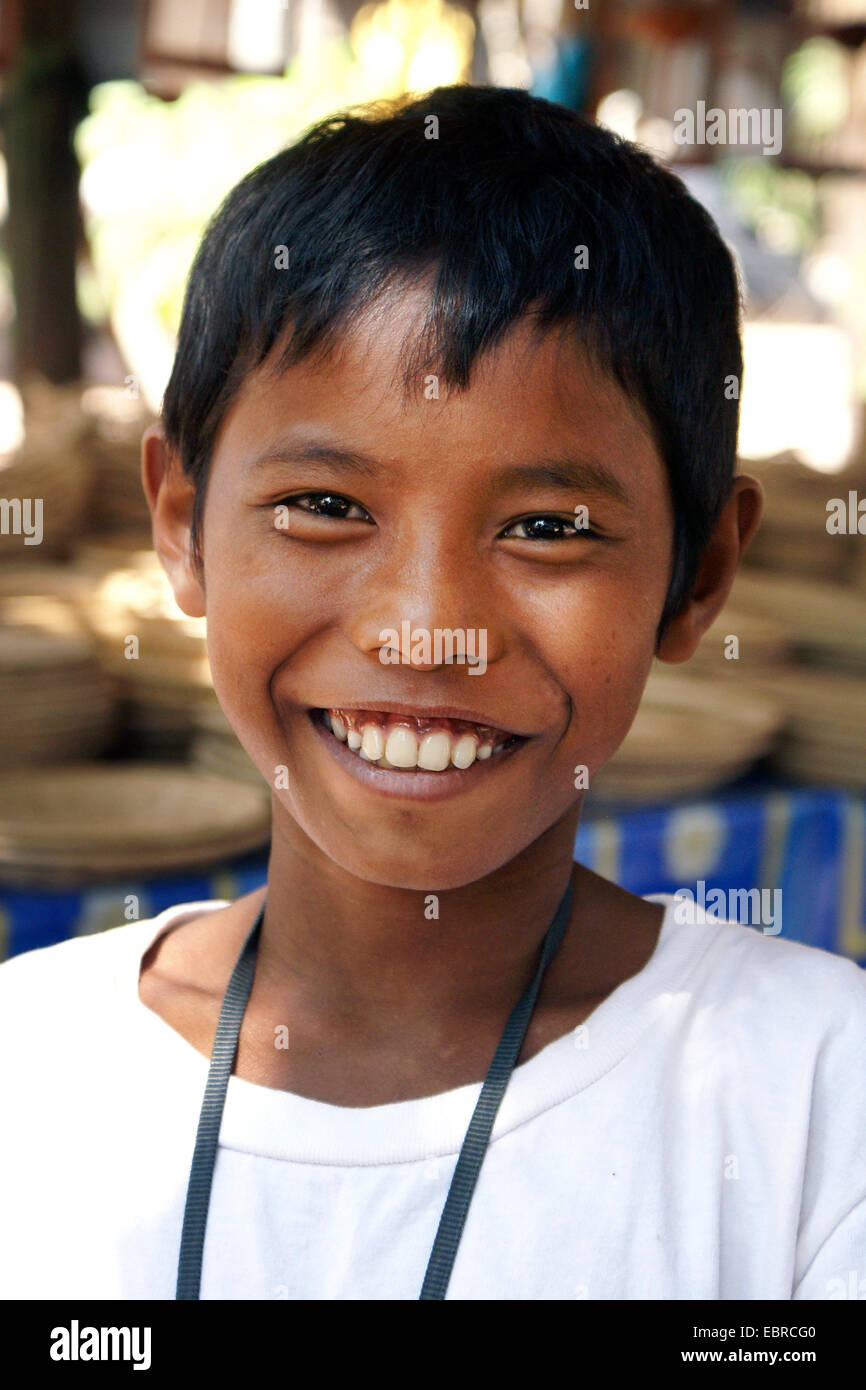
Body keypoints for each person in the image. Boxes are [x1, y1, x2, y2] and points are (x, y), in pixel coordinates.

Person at [1, 84, 864, 1301]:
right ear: (184, 526)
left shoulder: (820, 1101)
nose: (426, 632)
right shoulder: (29, 1073)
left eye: (547, 527)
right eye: (325, 506)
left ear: (697, 573)